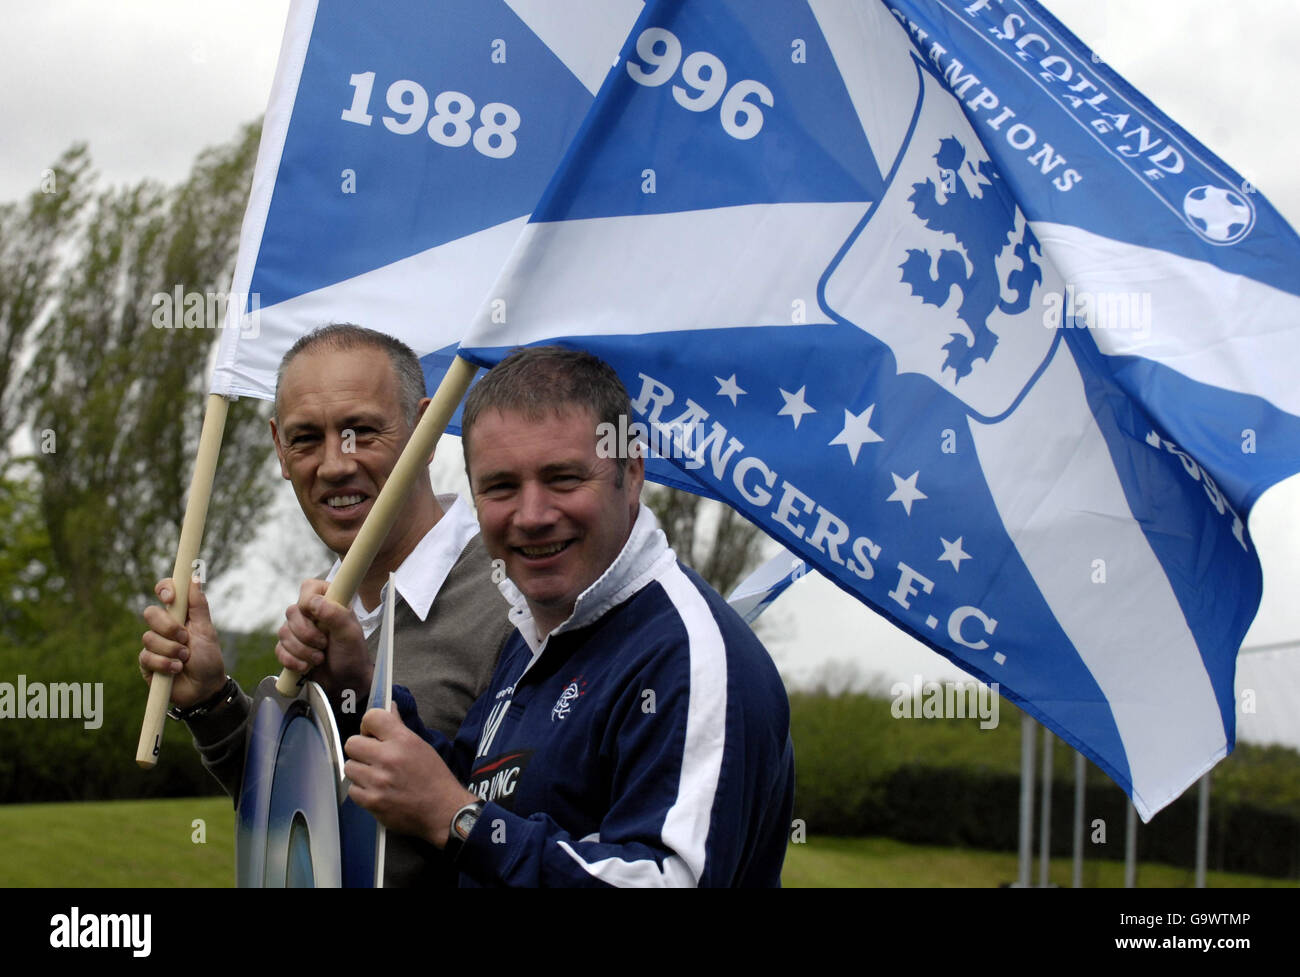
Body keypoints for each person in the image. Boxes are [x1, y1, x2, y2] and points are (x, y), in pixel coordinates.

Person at [339, 346, 796, 887]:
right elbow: (471, 786)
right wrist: (358, 689)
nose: (531, 516)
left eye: (563, 479)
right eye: (502, 486)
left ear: (631, 474)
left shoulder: (690, 655)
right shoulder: (539, 630)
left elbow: (667, 880)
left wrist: (457, 822)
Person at [139, 324, 513, 886]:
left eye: (361, 430)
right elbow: (310, 821)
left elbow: (518, 841)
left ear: (426, 430)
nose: (335, 464)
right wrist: (211, 701)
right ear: (278, 449)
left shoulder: (517, 600)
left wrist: (365, 698)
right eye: (306, 438)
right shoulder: (316, 609)